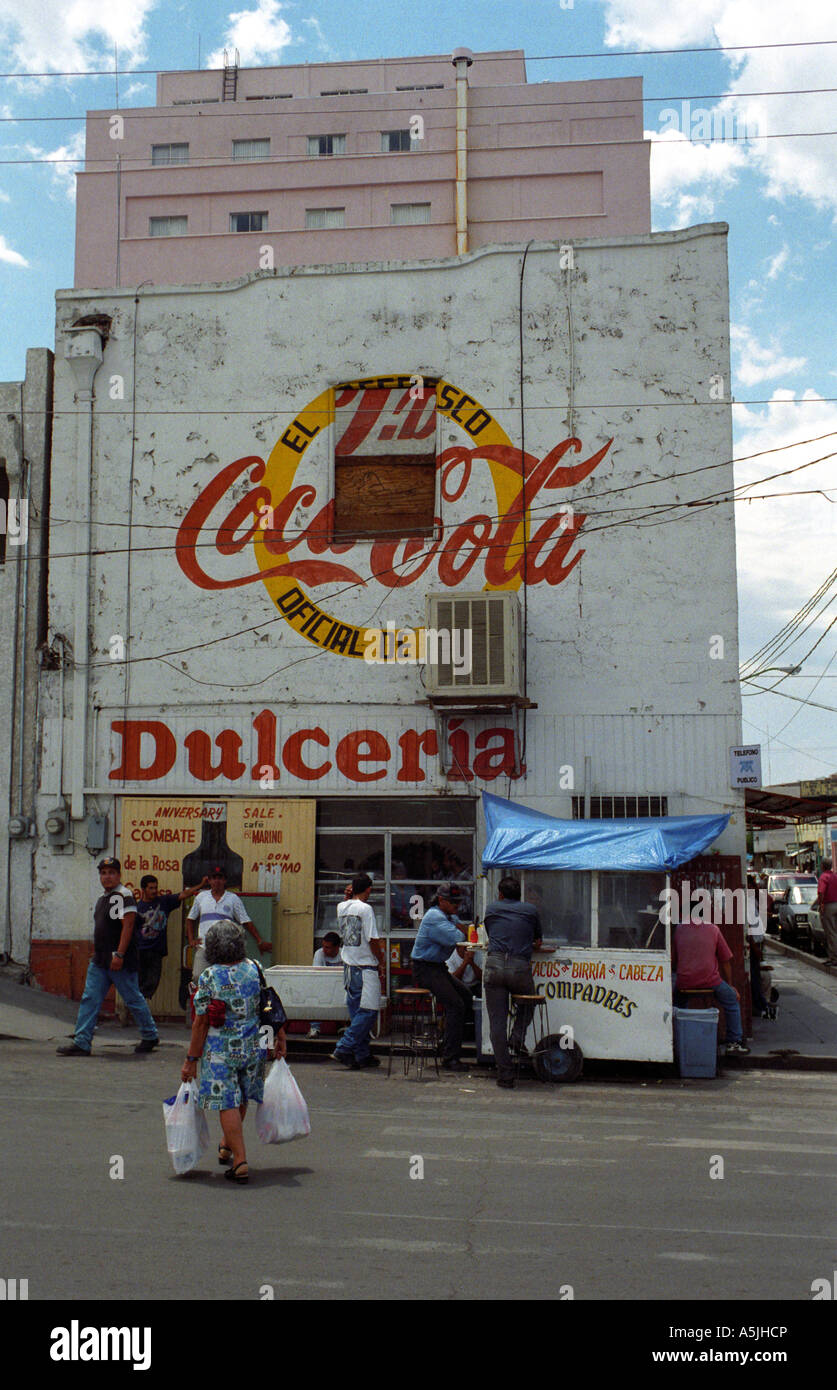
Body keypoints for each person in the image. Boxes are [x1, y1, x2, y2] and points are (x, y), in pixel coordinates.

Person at [181, 922, 286, 1185]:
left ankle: (240, 1160)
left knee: (226, 1101)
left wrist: (190, 1060)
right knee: (240, 1098)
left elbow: (201, 1023)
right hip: (253, 1047)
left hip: (220, 1053)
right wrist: (279, 1036)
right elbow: (268, 1005)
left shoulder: (210, 977)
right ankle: (227, 1143)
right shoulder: (255, 968)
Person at [57, 858, 160, 1057]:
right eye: (103, 873)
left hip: (118, 959)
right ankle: (82, 1042)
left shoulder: (123, 895)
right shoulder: (103, 898)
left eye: (111, 872)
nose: (107, 877)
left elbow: (128, 925)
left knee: (132, 998)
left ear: (119, 875)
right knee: (90, 999)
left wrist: (119, 954)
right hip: (100, 960)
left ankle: (150, 1035)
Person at [482, 876, 543, 1089]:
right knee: (530, 1001)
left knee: (497, 1023)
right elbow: (538, 940)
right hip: (519, 967)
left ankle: (505, 1075)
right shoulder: (531, 910)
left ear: (500, 894)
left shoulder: (491, 909)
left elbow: (491, 934)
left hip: (494, 966)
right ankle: (517, 1036)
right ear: (520, 894)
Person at [411, 882, 471, 1071]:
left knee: (466, 996)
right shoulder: (435, 917)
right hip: (426, 969)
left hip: (438, 968)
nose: (457, 906)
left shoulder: (448, 915)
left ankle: (446, 1042)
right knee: (456, 1005)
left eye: (458, 902)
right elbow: (459, 937)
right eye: (453, 903)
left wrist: (462, 927)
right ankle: (450, 1057)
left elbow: (463, 930)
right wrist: (463, 929)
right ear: (441, 900)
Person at [671, 910, 750, 1055]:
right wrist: (731, 985)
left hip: (684, 982)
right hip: (710, 981)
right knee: (732, 999)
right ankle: (734, 1042)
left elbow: (673, 961)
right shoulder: (713, 929)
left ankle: (676, 1039)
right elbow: (725, 961)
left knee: (677, 1004)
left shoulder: (679, 929)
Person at [332, 874, 386, 1070]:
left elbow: (347, 903)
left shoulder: (341, 907)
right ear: (368, 890)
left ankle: (361, 1054)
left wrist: (348, 895)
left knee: (357, 1012)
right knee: (369, 1011)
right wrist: (381, 960)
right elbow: (372, 939)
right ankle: (344, 1047)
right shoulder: (366, 909)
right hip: (364, 966)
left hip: (348, 964)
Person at [186, 866, 271, 982]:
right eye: (214, 878)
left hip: (225, 948)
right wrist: (191, 940)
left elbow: (245, 921)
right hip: (204, 946)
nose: (217, 881)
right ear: (209, 880)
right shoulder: (201, 897)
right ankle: (201, 999)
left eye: (220, 878)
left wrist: (259, 940)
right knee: (197, 976)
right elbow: (190, 919)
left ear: (225, 880)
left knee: (224, 980)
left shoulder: (233, 898)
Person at [134, 873, 209, 1000]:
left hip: (156, 951)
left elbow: (184, 894)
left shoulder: (164, 902)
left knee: (151, 983)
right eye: (150, 888)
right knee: (137, 983)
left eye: (155, 888)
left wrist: (201, 885)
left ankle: (139, 1007)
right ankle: (135, 1010)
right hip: (139, 951)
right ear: (143, 890)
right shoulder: (137, 908)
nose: (154, 891)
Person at [308, 931, 342, 1038]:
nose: (324, 949)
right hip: (323, 985)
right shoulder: (319, 954)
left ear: (337, 948)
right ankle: (315, 1028)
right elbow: (317, 975)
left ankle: (343, 1026)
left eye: (327, 947)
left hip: (340, 987)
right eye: (323, 946)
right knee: (315, 996)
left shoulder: (345, 954)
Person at [817, 858, 837, 965]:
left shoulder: (824, 877)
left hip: (829, 905)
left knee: (831, 932)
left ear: (823, 866)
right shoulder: (835, 876)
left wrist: (820, 904)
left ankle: (834, 958)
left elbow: (821, 892)